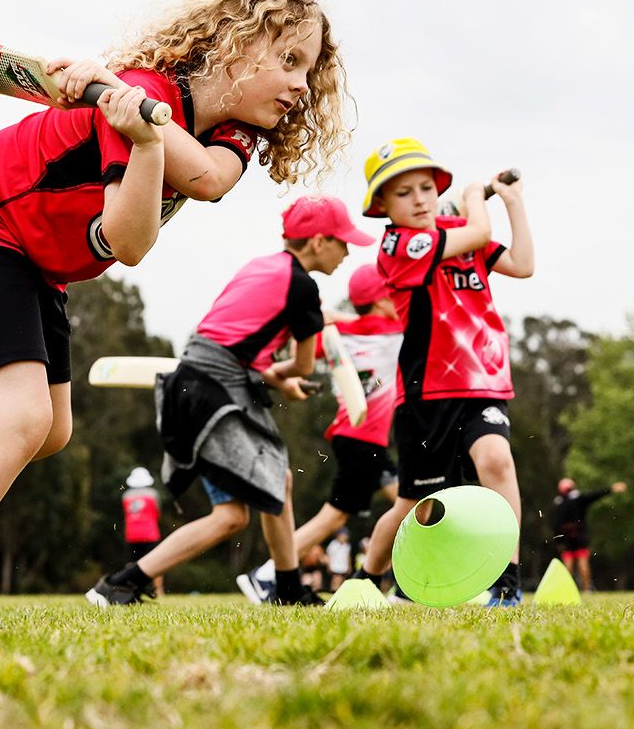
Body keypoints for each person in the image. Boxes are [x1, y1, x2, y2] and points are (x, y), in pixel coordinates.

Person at [0, 0, 348, 625]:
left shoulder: (225, 134)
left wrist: (136, 120)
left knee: (49, 429)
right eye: (290, 59)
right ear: (233, 43)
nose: (301, 83)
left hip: (35, 259)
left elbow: (206, 179)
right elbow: (128, 242)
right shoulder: (144, 93)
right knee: (20, 418)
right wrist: (137, 123)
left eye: (310, 67)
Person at [85, 196, 375, 607]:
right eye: (343, 243)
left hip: (195, 383)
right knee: (275, 478)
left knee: (235, 514)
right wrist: (290, 378)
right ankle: (285, 589)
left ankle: (122, 584)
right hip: (214, 391)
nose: (347, 252)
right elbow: (304, 365)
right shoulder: (303, 286)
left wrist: (277, 380)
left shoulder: (261, 268)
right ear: (318, 242)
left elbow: (241, 351)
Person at [350, 138, 535, 607]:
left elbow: (522, 264)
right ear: (384, 206)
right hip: (427, 392)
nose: (419, 200)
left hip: (484, 382)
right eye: (404, 193)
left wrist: (512, 204)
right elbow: (473, 234)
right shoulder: (400, 244)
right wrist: (476, 195)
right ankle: (367, 582)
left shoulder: (459, 231)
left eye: (426, 188)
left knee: (497, 463)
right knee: (416, 503)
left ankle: (508, 582)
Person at [236, 264, 403, 603]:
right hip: (362, 438)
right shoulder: (390, 330)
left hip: (356, 435)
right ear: (383, 299)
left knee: (413, 504)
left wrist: (330, 315)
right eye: (392, 295)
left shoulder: (344, 334)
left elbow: (317, 328)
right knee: (334, 515)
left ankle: (410, 588)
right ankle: (266, 575)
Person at [551, 477, 628, 593]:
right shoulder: (579, 498)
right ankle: (586, 589)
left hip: (565, 538)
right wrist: (611, 489)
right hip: (579, 535)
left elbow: (556, 524)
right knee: (583, 561)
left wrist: (558, 541)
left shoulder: (558, 503)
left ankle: (566, 591)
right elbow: (595, 495)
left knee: (568, 565)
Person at [121, 467, 164, 597]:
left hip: (132, 534)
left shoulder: (126, 496)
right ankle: (158, 590)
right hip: (150, 533)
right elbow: (157, 513)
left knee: (133, 563)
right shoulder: (153, 494)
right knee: (157, 561)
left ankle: (131, 589)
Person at [325, 527, 353, 592]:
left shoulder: (347, 546)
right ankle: (333, 593)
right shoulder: (333, 544)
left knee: (342, 582)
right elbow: (329, 556)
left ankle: (337, 594)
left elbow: (348, 557)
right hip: (335, 567)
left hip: (343, 567)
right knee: (336, 581)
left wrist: (349, 566)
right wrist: (329, 566)